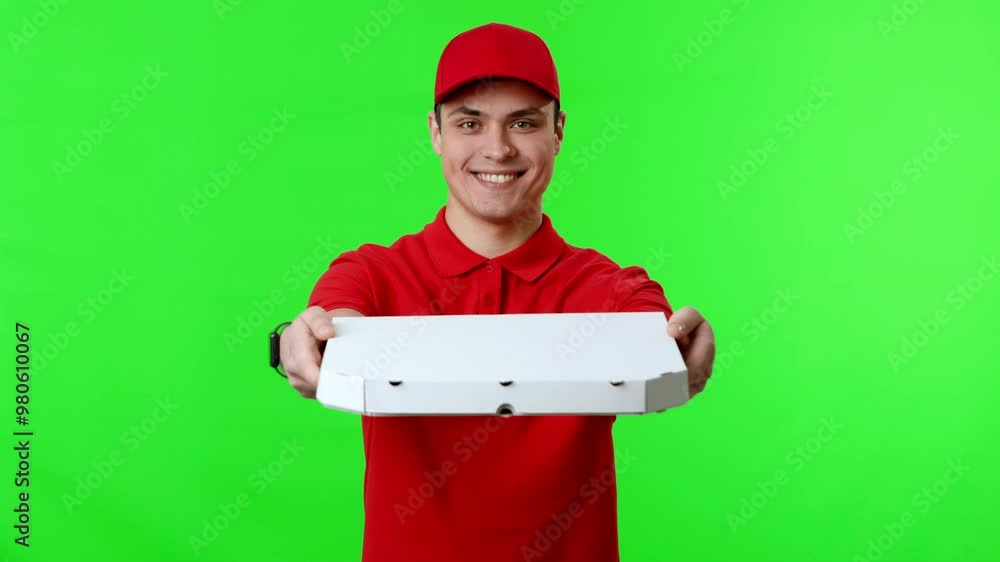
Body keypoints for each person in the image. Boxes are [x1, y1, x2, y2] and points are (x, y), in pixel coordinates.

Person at [275, 22, 716, 562]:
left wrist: (682, 346)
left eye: (524, 123)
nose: (498, 149)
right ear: (436, 133)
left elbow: (659, 334)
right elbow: (327, 322)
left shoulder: (611, 288)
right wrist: (298, 342)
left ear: (558, 132)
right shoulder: (372, 274)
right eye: (470, 123)